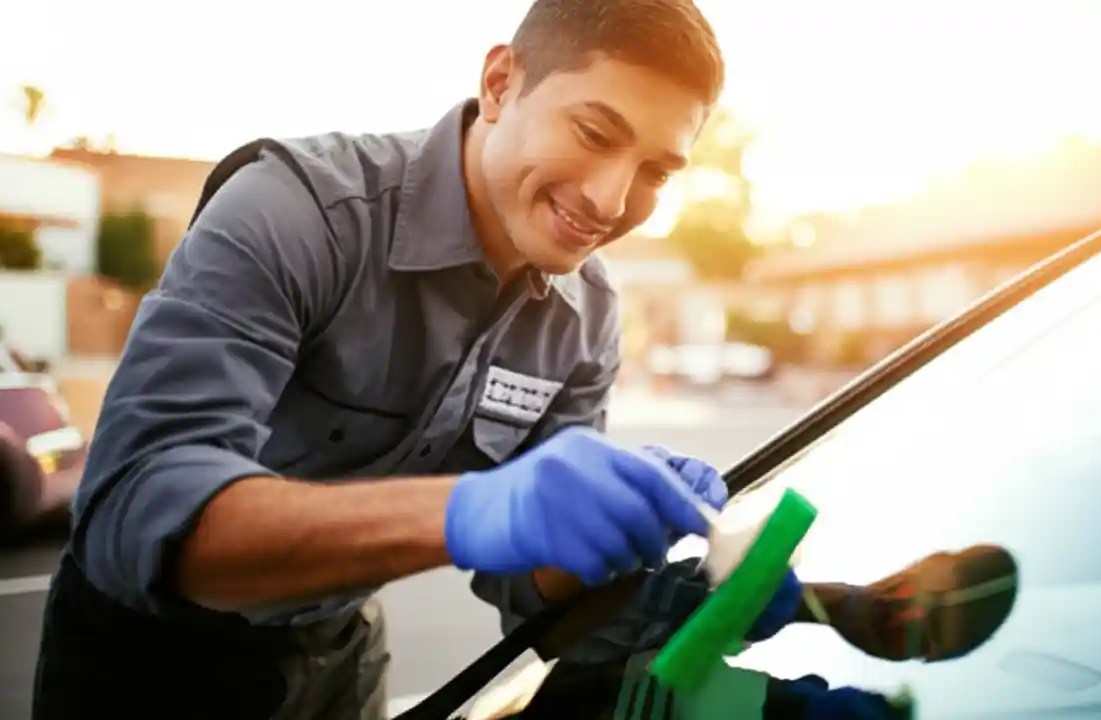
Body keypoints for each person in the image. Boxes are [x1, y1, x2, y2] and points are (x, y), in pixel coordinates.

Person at [29, 1, 793, 718]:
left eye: (656, 171)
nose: (610, 198)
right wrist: (473, 510)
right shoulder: (297, 213)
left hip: (340, 662)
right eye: (594, 133)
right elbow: (135, 510)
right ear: (500, 84)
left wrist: (654, 573)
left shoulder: (586, 320)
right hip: (143, 661)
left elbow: (532, 594)